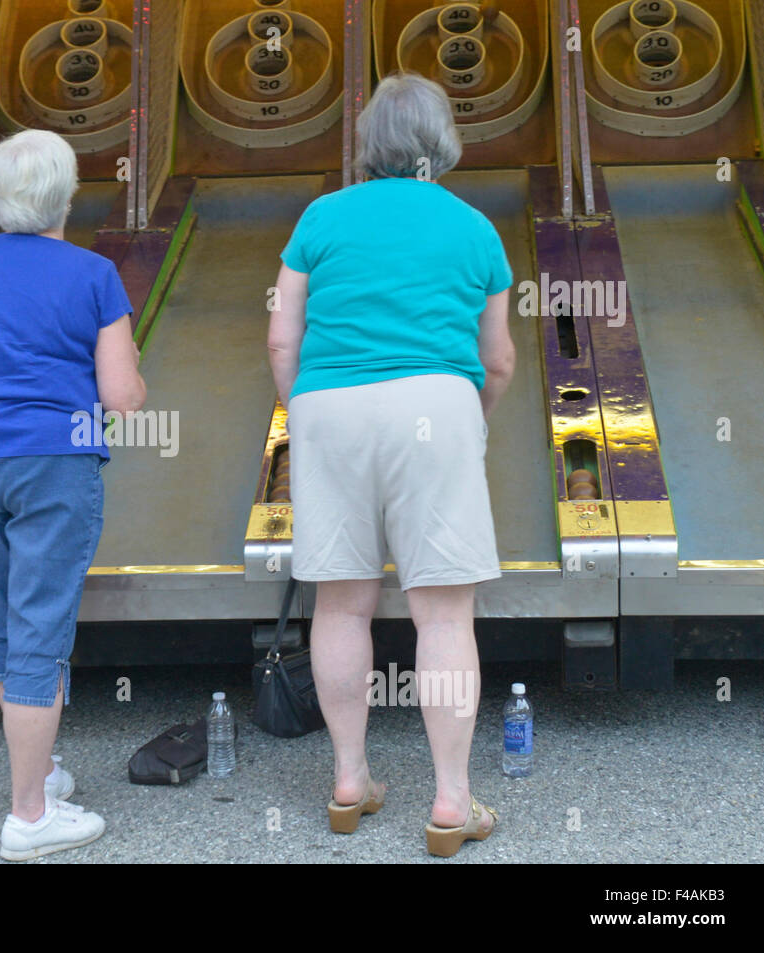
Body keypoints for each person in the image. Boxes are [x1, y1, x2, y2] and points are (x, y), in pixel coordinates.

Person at [267, 72, 516, 857]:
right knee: (442, 613)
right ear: (442, 145)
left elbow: (282, 337)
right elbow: (499, 359)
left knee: (340, 604)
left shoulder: (320, 217)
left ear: (368, 143)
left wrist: (304, 413)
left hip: (328, 407)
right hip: (435, 406)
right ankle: (449, 800)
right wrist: (468, 424)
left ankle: (349, 780)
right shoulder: (475, 226)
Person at [0, 129, 145, 860]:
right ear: (68, 195)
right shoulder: (93, 274)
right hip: (52, 461)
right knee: (41, 630)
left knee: (0, 624)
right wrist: (130, 384)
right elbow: (120, 395)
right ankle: (29, 814)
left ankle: (40, 767)